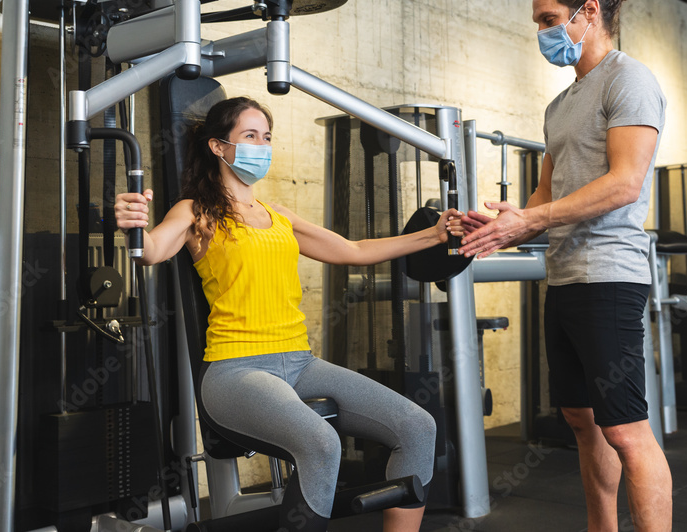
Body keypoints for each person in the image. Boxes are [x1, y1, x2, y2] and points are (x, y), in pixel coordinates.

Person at [115, 96, 457, 532]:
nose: (262, 146)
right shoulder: (195, 211)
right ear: (218, 146)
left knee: (417, 426)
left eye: (267, 137)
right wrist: (134, 226)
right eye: (250, 136)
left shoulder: (278, 217)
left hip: (300, 363)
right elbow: (152, 250)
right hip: (236, 371)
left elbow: (353, 250)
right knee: (321, 443)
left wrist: (433, 234)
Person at [458, 0, 671, 532]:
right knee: (582, 419)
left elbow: (625, 183)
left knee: (625, 429)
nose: (542, 33)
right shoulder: (559, 104)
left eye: (549, 19)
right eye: (538, 22)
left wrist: (531, 219)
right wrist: (501, 223)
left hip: (610, 275)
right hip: (565, 276)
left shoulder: (629, 80)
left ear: (589, 12)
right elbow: (546, 195)